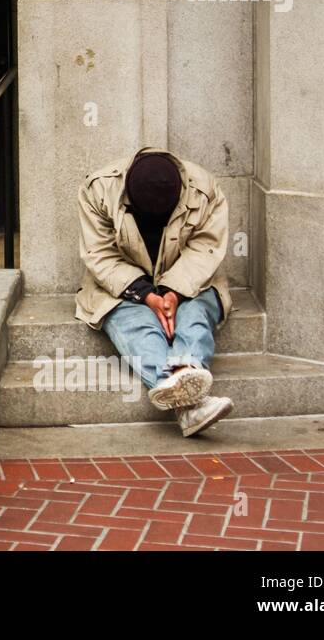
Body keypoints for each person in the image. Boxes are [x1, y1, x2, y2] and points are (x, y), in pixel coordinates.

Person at [75, 148, 235, 437]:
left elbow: (205, 248)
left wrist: (173, 293)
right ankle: (191, 403)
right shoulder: (97, 190)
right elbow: (100, 254)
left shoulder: (205, 190)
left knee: (194, 316)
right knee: (136, 326)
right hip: (118, 287)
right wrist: (146, 295)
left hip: (191, 280)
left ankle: (183, 391)